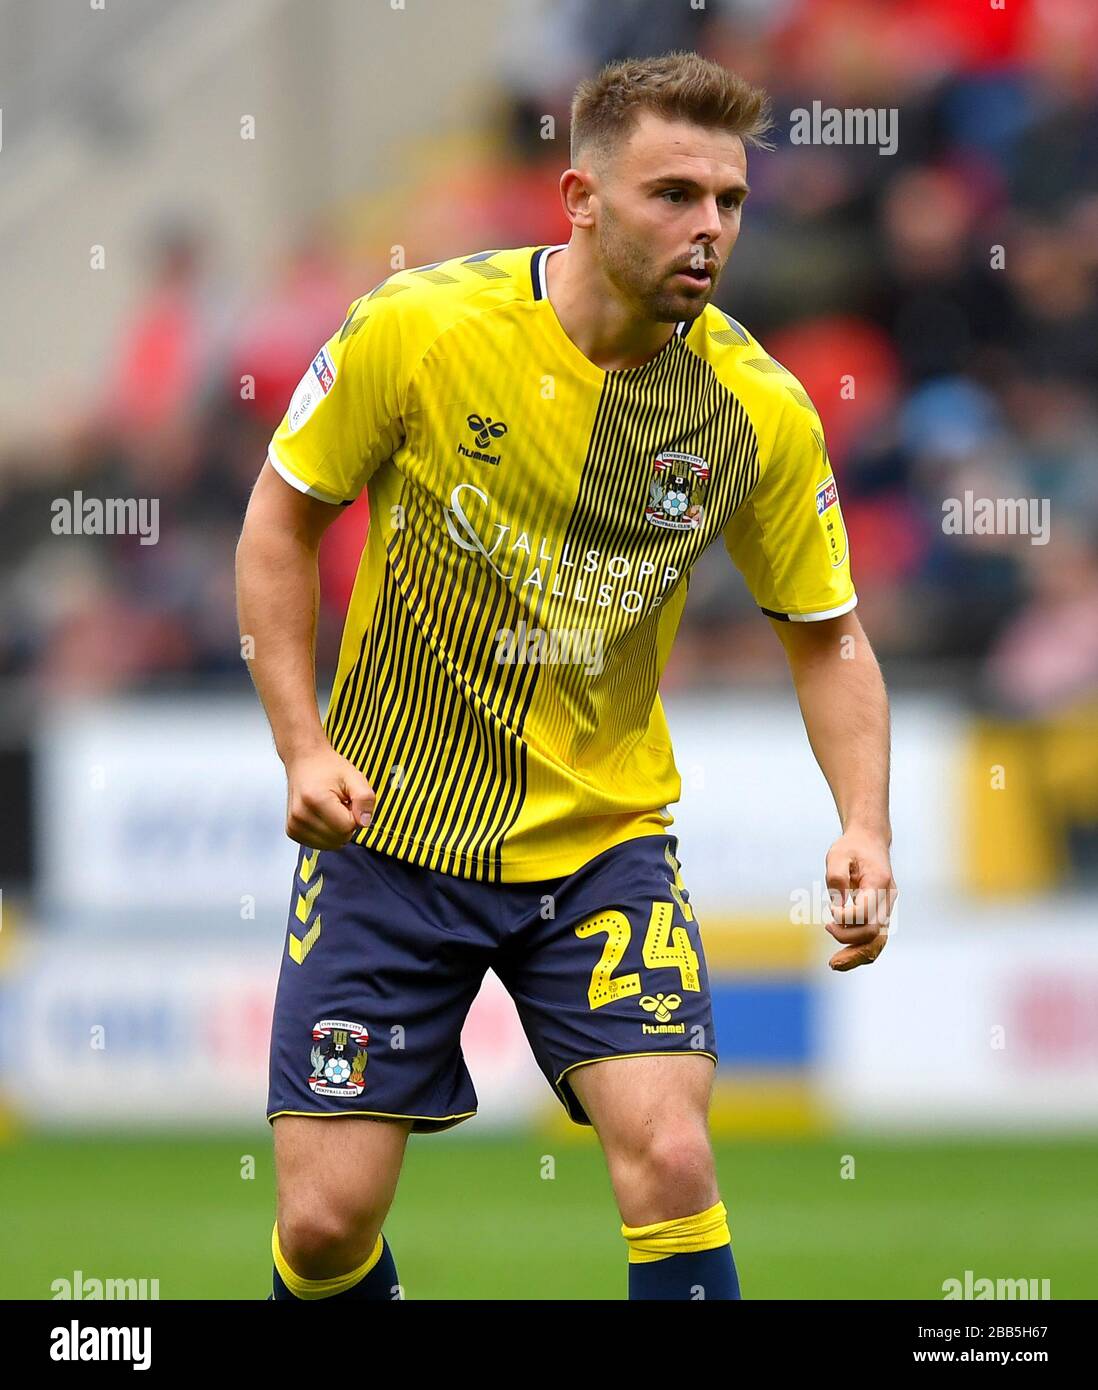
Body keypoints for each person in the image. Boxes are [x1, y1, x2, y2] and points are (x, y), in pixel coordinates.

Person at [235, 50, 896, 1303]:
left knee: (673, 1155)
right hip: (393, 838)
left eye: (730, 202)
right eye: (673, 195)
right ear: (580, 197)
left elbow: (830, 634)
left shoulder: (757, 408)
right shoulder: (421, 326)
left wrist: (863, 822)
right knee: (324, 1226)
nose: (709, 228)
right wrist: (300, 746)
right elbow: (279, 522)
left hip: (602, 845)